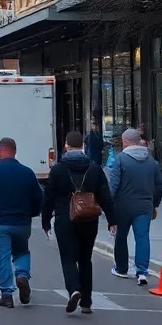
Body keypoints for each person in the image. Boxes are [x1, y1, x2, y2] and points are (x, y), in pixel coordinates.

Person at [42, 131, 115, 314]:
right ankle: (87, 302)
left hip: (64, 217)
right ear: (82, 145)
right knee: (85, 259)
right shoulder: (94, 167)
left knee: (68, 259)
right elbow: (105, 195)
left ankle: (74, 289)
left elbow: (49, 197)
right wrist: (112, 219)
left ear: (66, 145)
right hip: (89, 218)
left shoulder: (58, 169)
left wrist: (45, 221)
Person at [0, 137, 44, 308]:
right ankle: (22, 275)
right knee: (22, 251)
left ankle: (7, 294)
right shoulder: (27, 172)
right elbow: (38, 197)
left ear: (1, 151)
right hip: (22, 222)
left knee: (2, 256)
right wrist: (33, 213)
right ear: (14, 151)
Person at [109, 128, 162, 285]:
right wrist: (154, 204)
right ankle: (142, 271)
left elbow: (113, 186)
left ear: (126, 141)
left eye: (122, 141)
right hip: (145, 206)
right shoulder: (151, 161)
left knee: (120, 237)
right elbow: (160, 186)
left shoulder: (120, 159)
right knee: (142, 237)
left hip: (123, 206)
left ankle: (121, 268)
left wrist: (108, 207)